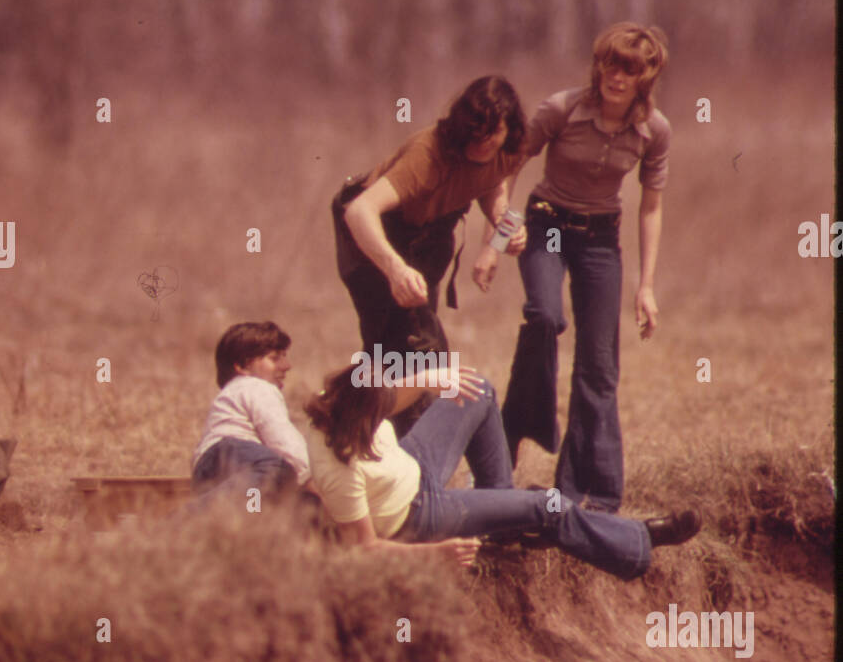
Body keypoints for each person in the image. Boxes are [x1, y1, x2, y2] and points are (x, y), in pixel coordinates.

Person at [495, 23, 670, 513]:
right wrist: (498, 236)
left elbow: (651, 208)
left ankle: (585, 493)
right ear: (598, 66)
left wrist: (647, 287)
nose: (616, 78)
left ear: (646, 76)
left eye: (629, 70)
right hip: (547, 224)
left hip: (600, 238)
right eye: (610, 65)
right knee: (545, 317)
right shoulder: (561, 108)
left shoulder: (654, 130)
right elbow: (510, 165)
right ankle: (514, 436)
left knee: (599, 366)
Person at [304, 361, 700, 577]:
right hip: (418, 514)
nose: (386, 417)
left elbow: (382, 398)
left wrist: (427, 379)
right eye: (378, 415)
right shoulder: (339, 471)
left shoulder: (334, 400)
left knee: (476, 388)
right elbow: (363, 549)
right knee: (547, 504)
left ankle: (502, 519)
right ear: (358, 421)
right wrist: (435, 555)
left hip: (413, 462)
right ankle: (636, 542)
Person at [332, 76, 529, 428]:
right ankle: (361, 436)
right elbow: (359, 212)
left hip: (428, 232)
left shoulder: (511, 148)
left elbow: (494, 189)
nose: (483, 142)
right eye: (475, 131)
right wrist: (395, 270)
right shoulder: (429, 153)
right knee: (406, 343)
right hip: (375, 227)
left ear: (508, 130)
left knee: (414, 341)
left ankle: (371, 432)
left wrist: (500, 237)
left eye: (493, 134)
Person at [191, 321, 312, 500]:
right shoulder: (255, 386)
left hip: (221, 473)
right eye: (275, 358)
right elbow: (284, 441)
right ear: (243, 366)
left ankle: (226, 515)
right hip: (230, 455)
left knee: (275, 503)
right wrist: (311, 480)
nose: (287, 365)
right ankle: (179, 522)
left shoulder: (236, 391)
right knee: (278, 469)